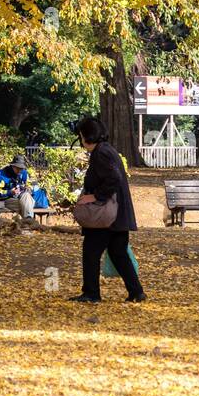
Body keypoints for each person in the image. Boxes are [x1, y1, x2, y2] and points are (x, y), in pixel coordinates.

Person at [72, 116, 145, 303]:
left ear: (87, 136)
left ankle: (91, 293)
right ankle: (136, 292)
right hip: (118, 215)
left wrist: (94, 196)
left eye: (81, 136)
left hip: (106, 216)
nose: (80, 140)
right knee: (118, 253)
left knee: (91, 252)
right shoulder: (107, 150)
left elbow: (113, 179)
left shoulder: (101, 153)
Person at [0, 153, 35, 223]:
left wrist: (28, 189)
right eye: (18, 168)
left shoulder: (24, 173)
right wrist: (10, 192)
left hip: (22, 198)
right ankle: (29, 222)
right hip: (5, 201)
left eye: (21, 168)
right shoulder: (1, 174)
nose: (20, 170)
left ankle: (26, 222)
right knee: (28, 204)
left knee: (27, 197)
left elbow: (29, 185)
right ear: (12, 166)